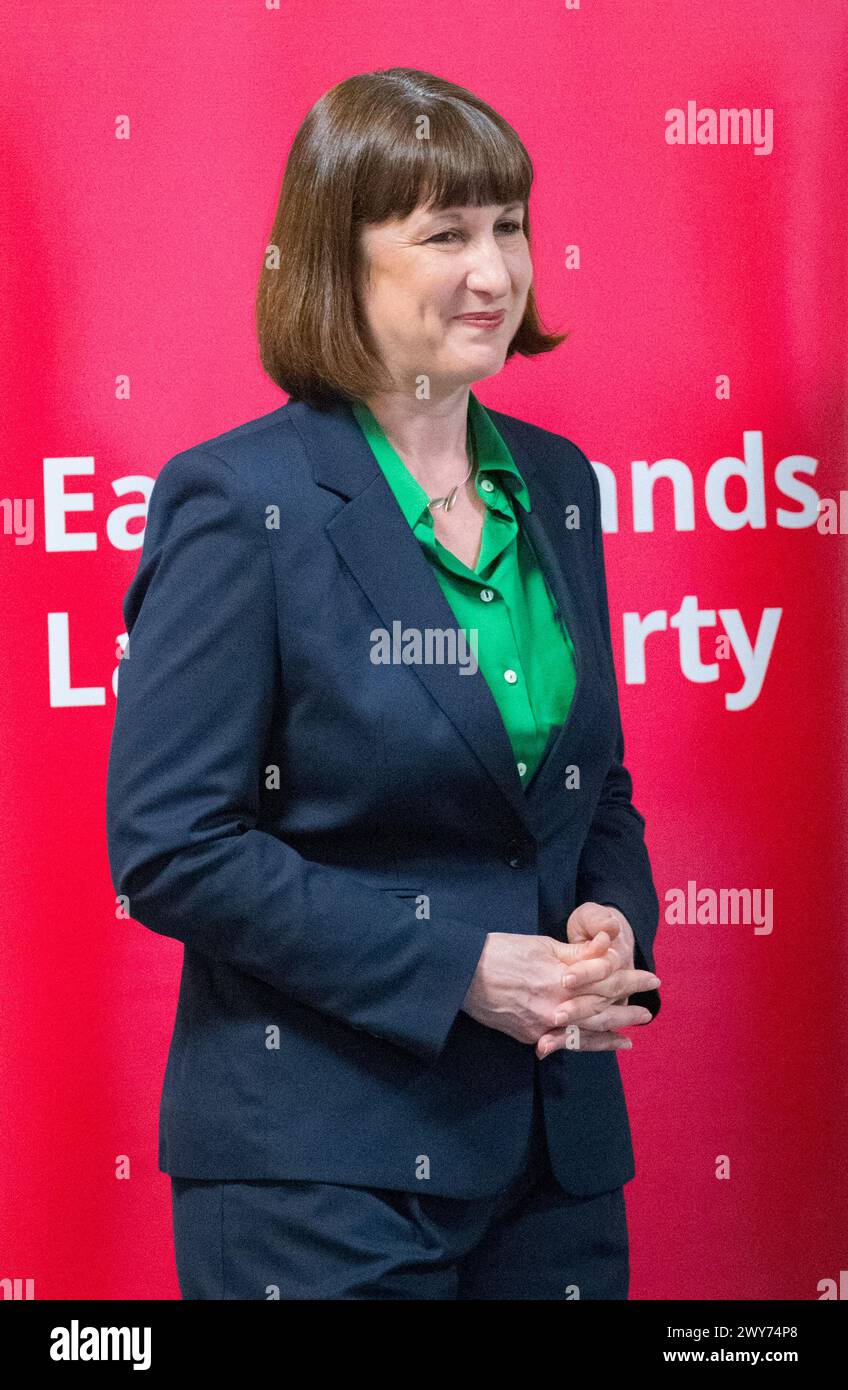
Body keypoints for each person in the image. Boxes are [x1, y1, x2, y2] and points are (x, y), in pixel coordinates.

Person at [106, 66, 662, 1301]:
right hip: (320, 1175)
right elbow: (170, 844)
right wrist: (458, 964)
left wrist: (612, 922)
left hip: (554, 1164)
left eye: (508, 225)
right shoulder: (236, 499)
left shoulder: (558, 483)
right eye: (443, 234)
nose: (494, 272)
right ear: (335, 263)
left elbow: (591, 787)